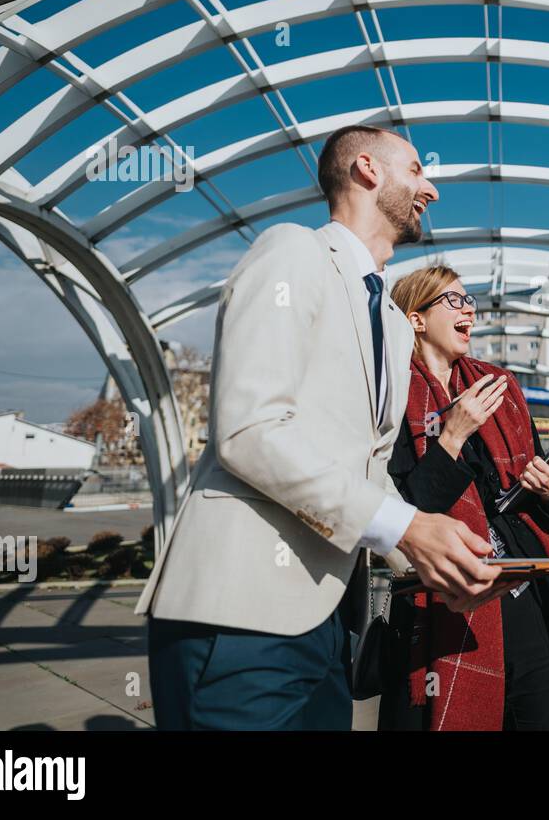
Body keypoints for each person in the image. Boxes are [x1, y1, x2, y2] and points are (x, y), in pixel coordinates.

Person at [136, 126, 504, 730]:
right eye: (416, 170)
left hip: (330, 624)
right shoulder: (292, 252)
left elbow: (370, 471)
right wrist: (406, 526)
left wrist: (433, 564)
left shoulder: (389, 315)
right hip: (243, 619)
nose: (431, 188)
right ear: (367, 170)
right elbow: (249, 430)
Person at [379, 264, 549, 731]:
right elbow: (403, 513)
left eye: (468, 300)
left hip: (531, 588)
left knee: (546, 711)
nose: (469, 310)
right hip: (453, 593)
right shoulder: (391, 398)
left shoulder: (497, 386)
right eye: (453, 301)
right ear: (416, 319)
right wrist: (452, 437)